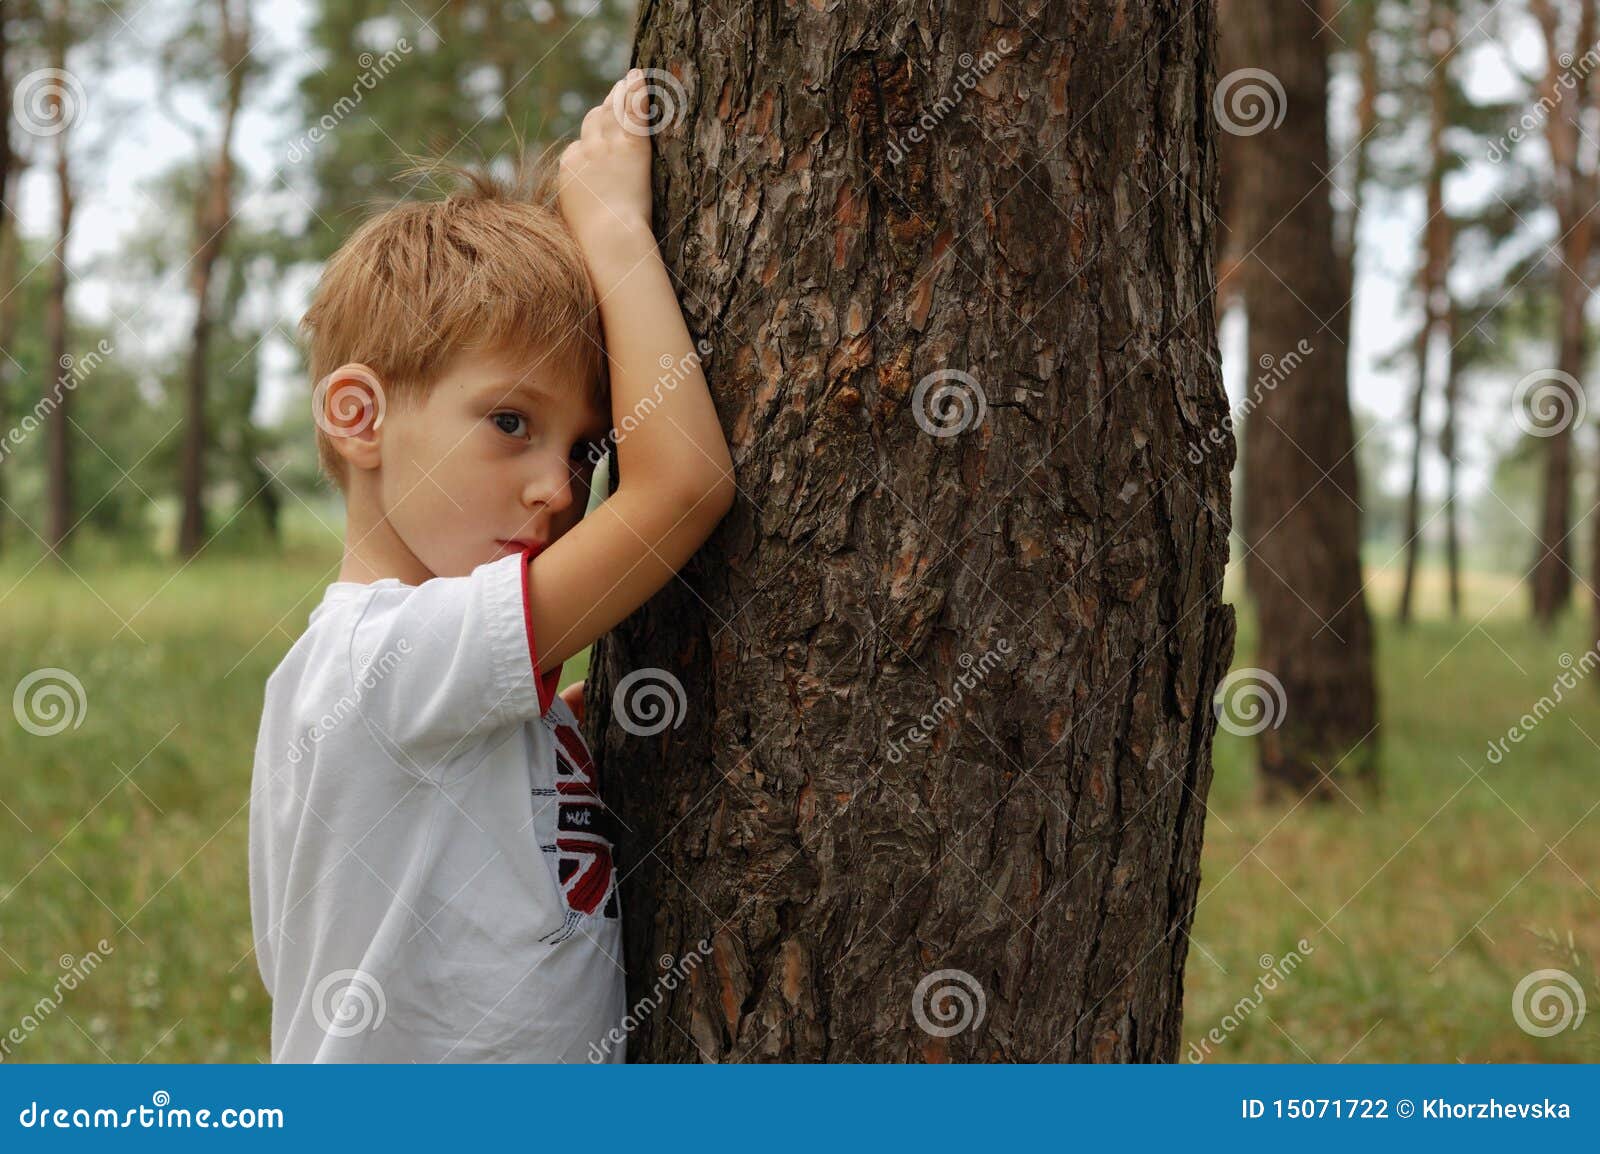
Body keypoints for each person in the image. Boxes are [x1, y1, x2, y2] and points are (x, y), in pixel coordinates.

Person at [248, 70, 735, 1062]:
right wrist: (610, 231)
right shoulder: (388, 662)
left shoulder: (441, 669)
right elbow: (680, 486)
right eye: (510, 422)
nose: (557, 488)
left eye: (583, 450)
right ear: (360, 415)